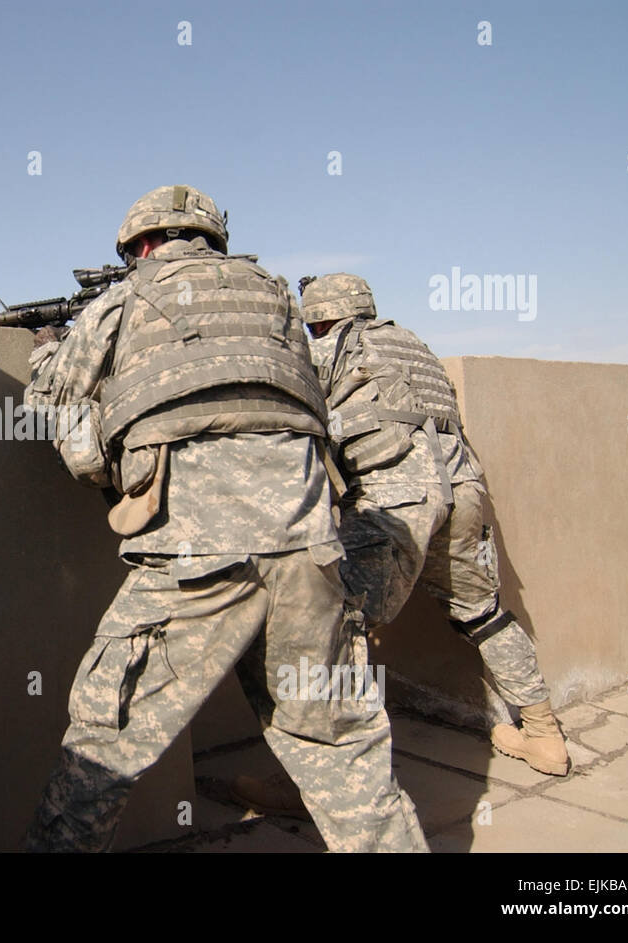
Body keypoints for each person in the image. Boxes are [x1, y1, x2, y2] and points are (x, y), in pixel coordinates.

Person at [21, 185, 428, 853]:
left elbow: (77, 445)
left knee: (104, 747)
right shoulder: (274, 299)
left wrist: (44, 354)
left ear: (141, 246)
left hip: (196, 559)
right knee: (344, 752)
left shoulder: (122, 301)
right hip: (311, 551)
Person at [299, 273, 568, 776]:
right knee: (482, 612)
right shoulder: (413, 346)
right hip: (463, 490)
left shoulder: (334, 348)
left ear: (321, 317)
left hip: (395, 500)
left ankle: (333, 778)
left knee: (338, 621)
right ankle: (544, 733)